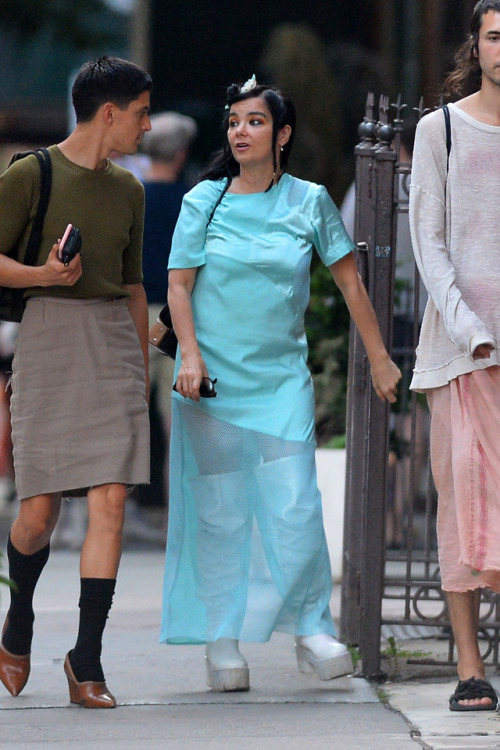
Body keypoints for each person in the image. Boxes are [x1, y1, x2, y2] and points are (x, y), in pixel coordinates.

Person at [160, 75, 401, 692]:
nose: (241, 131)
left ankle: (312, 628)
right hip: (209, 382)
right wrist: (189, 354)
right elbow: (179, 287)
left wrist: (379, 359)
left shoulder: (310, 201)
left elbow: (351, 284)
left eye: (255, 122)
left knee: (294, 504)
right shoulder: (203, 201)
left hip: (281, 379)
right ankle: (222, 639)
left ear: (282, 134)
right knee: (219, 514)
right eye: (235, 121)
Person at [0, 56, 152, 708]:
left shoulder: (131, 190)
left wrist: (141, 370)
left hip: (114, 340)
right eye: (142, 113)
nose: (147, 127)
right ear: (110, 111)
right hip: (47, 338)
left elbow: (136, 281)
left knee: (110, 501)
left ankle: (86, 660)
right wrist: (45, 277)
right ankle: (20, 614)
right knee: (37, 514)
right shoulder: (28, 175)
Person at [409, 0, 500, 712]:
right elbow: (428, 243)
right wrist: (470, 326)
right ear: (477, 44)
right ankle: (470, 667)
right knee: (462, 497)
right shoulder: (439, 129)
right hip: (461, 352)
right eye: (497, 37)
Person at [132, 112, 198, 514]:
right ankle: (178, 520)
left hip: (130, 316)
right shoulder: (191, 202)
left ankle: (106, 517)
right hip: (175, 320)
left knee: (124, 421)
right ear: (181, 153)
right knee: (178, 426)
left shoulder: (131, 196)